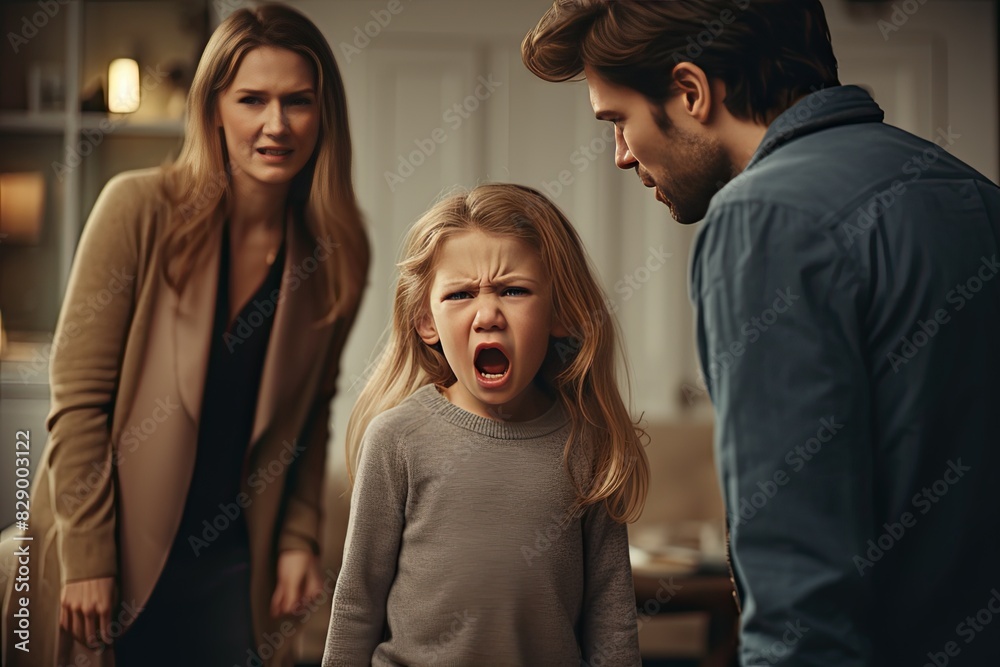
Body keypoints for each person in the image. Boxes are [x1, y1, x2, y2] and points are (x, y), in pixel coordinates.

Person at [522, 1, 1000, 665]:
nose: (621, 156)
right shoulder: (973, 194)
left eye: (618, 121)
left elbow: (799, 595)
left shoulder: (764, 216)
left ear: (690, 92)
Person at [1, 4, 369, 666]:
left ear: (325, 113)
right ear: (214, 108)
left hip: (234, 565)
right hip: (110, 551)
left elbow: (311, 411)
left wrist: (299, 534)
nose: (275, 124)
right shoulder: (137, 208)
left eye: (298, 101)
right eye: (252, 99)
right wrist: (87, 552)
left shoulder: (338, 252)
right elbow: (79, 399)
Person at [322, 184, 648, 666]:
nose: (488, 315)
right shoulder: (396, 439)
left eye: (513, 290)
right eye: (460, 294)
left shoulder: (589, 443)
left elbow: (612, 617)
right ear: (425, 321)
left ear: (560, 311)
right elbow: (356, 605)